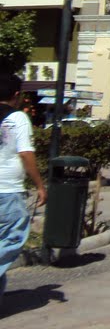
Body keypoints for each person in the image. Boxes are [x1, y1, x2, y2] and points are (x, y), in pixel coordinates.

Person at [0, 75, 47, 308]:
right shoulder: (17, 117)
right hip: (7, 189)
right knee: (13, 237)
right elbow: (25, 153)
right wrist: (39, 185)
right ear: (16, 96)